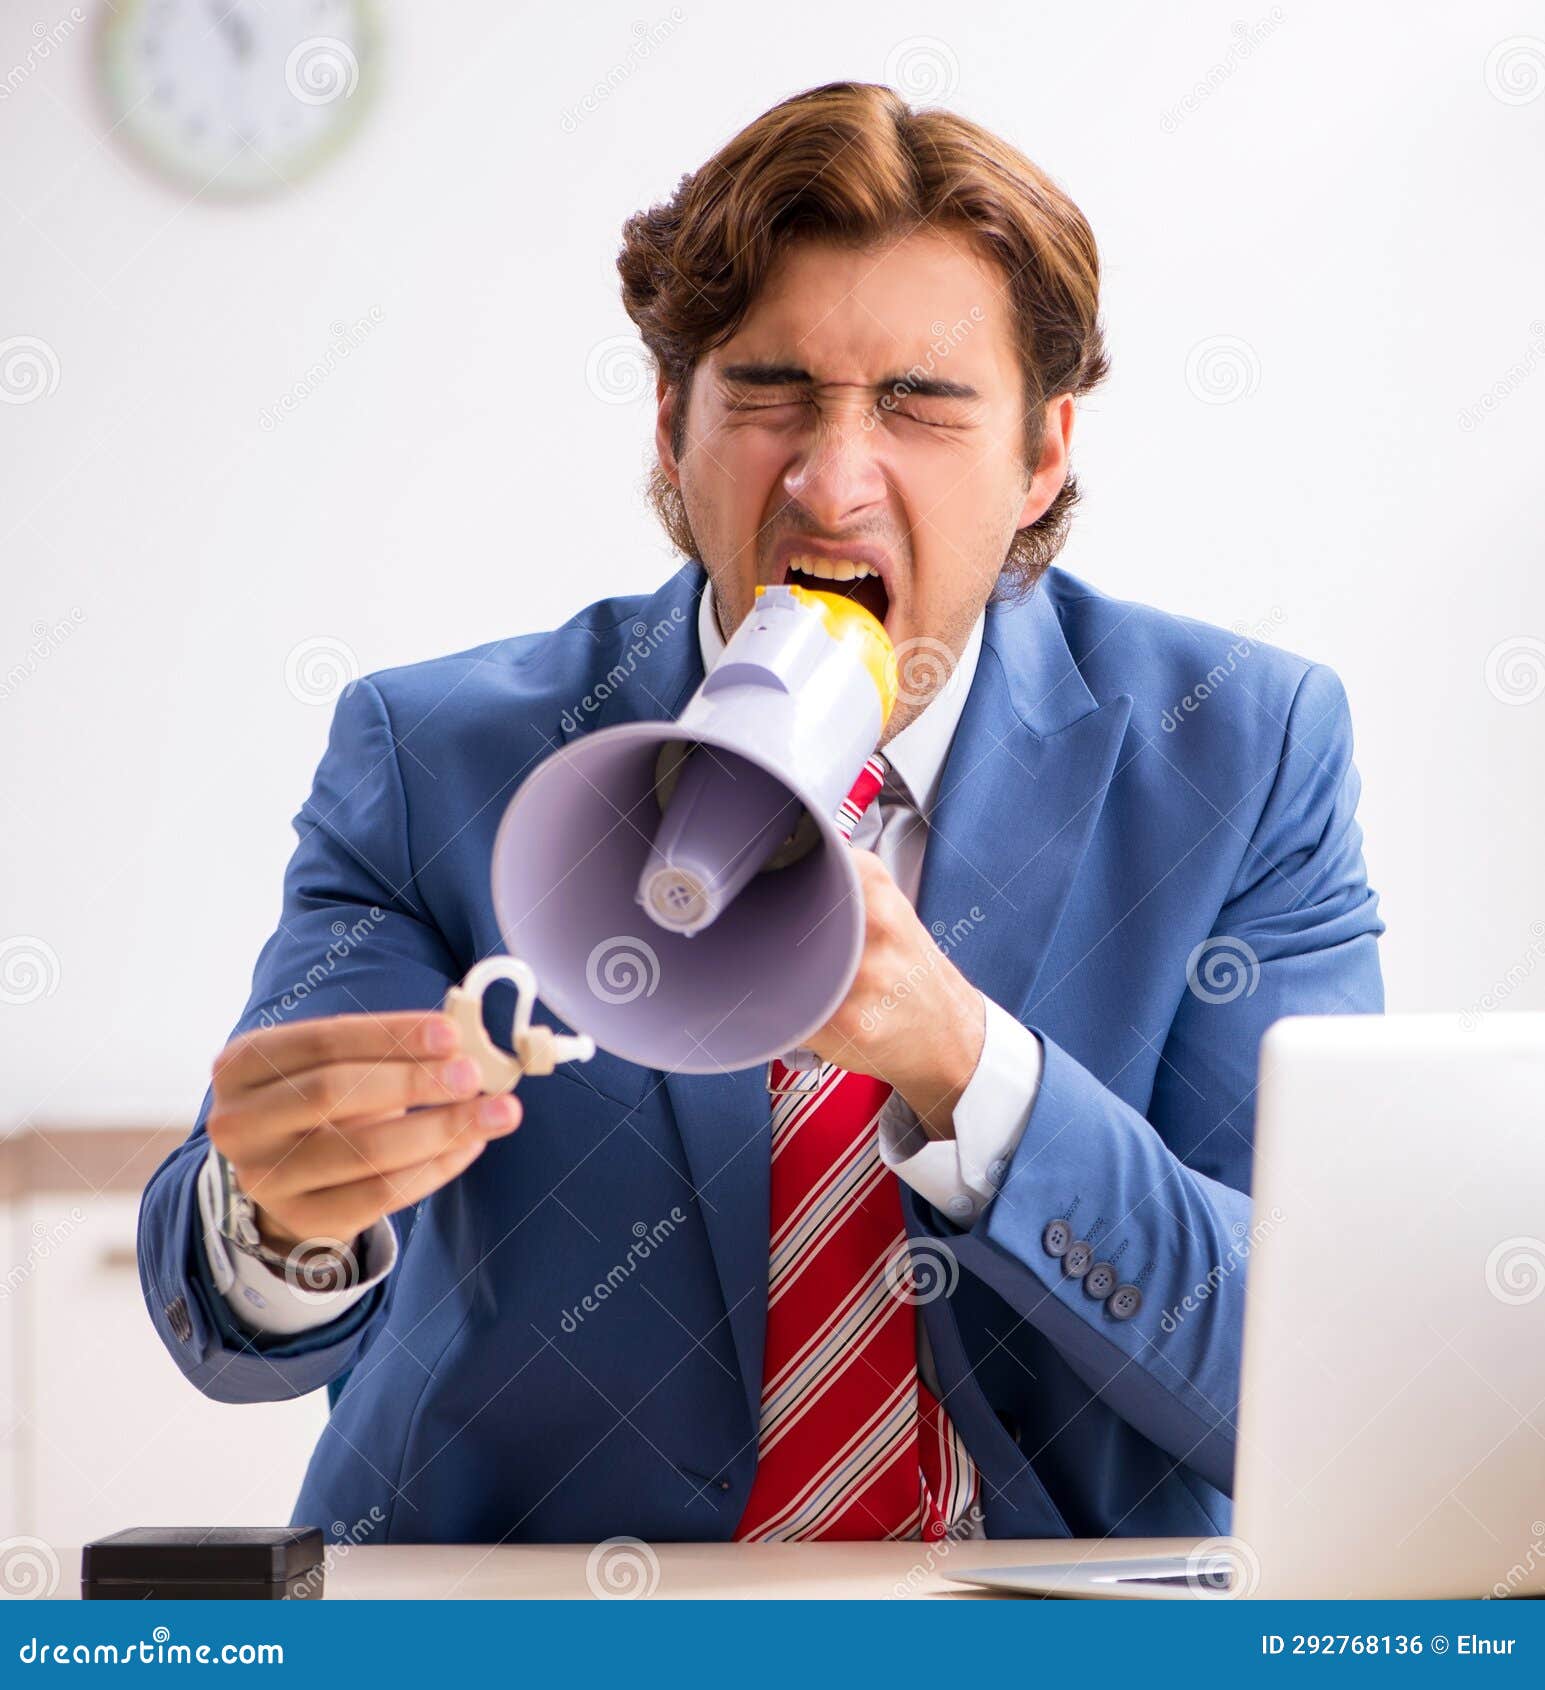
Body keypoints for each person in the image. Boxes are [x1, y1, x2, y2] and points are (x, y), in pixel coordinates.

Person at [139, 81, 1383, 1546]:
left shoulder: (1240, 754)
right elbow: (224, 1329)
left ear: (1042, 454)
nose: (828, 479)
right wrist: (283, 1214)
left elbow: (1309, 1370)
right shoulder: (440, 754)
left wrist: (970, 1068)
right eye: (769, 393)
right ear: (674, 424)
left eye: (918, 402)